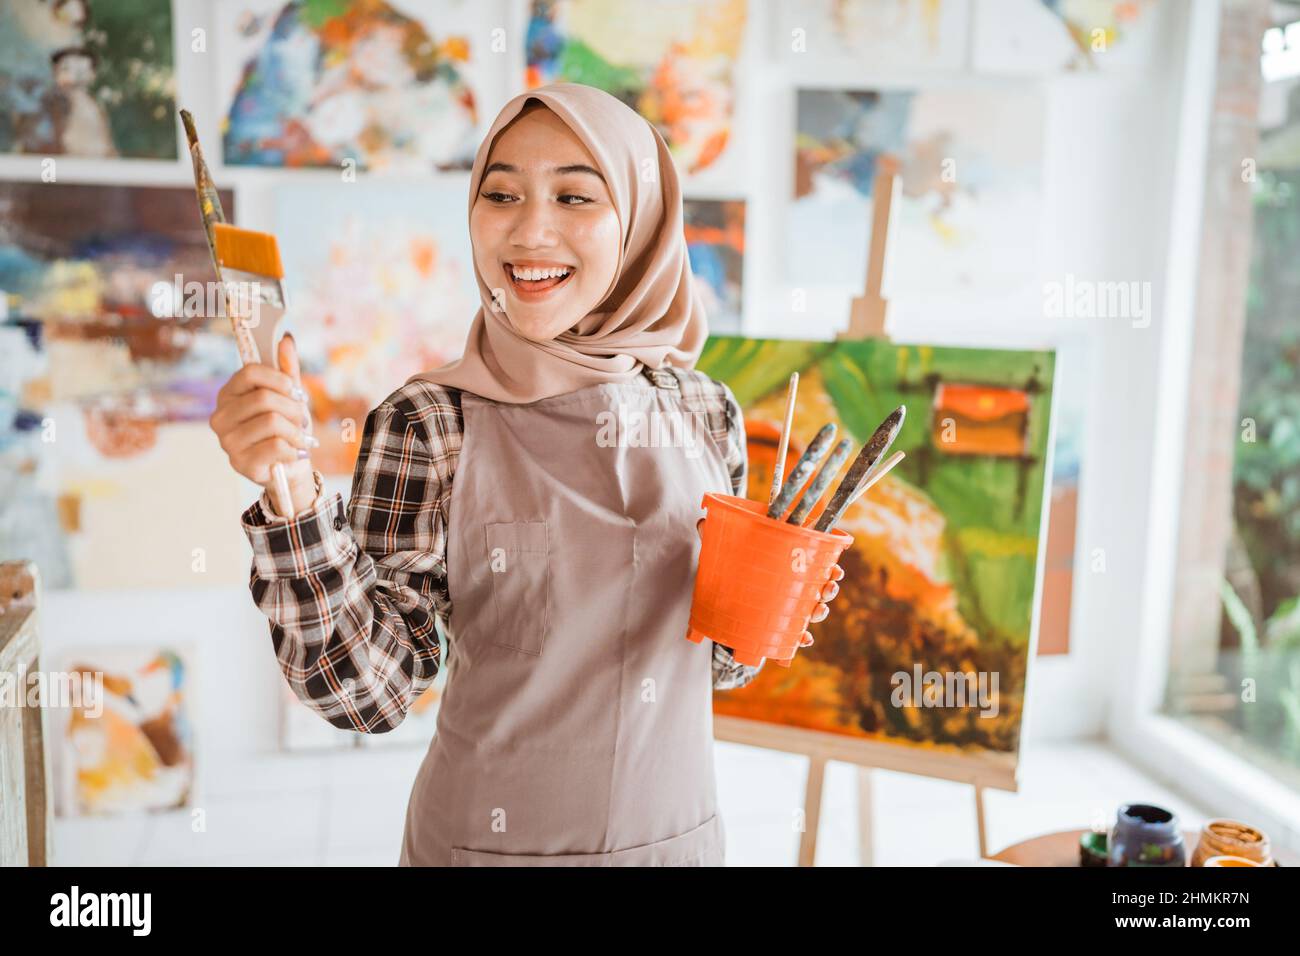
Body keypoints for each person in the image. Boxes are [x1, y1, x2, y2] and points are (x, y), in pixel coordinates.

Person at [208, 82, 844, 866]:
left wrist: (766, 604)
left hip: (676, 844)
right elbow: (369, 697)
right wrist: (291, 494)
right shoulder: (431, 420)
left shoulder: (704, 409)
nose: (531, 229)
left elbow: (712, 666)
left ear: (640, 222)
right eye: (501, 193)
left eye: (575, 195)